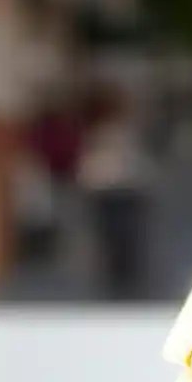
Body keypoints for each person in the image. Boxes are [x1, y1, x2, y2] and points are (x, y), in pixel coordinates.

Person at [77, 86, 149, 299]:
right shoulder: (100, 133)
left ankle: (124, 278)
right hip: (109, 191)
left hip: (121, 190)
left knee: (123, 238)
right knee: (112, 237)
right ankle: (115, 278)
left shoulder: (123, 131)